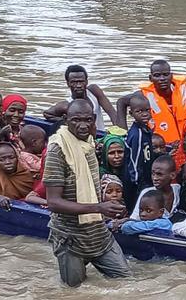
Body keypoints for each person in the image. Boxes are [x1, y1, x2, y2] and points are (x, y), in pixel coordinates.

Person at [45, 99, 131, 286]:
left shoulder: (89, 143)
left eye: (87, 120)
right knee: (74, 292)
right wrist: (99, 207)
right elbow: (53, 202)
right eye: (76, 120)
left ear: (93, 120)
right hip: (70, 236)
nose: (82, 125)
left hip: (98, 233)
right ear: (66, 119)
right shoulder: (58, 150)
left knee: (127, 282)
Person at [127, 59, 186, 148]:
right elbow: (121, 102)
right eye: (157, 75)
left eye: (166, 75)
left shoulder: (183, 89)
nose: (162, 79)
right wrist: (123, 133)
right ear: (150, 78)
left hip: (185, 143)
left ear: (171, 76)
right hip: (162, 147)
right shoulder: (143, 94)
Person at [46, 64, 123, 128]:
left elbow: (111, 112)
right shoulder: (67, 104)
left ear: (86, 81)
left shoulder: (94, 91)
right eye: (74, 82)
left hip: (100, 134)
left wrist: (119, 131)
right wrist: (64, 121)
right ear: (68, 83)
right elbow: (47, 114)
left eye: (81, 81)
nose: (78, 85)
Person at [131, 156, 180, 220]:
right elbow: (135, 219)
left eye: (159, 174)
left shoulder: (178, 189)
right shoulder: (147, 193)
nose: (155, 178)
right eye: (153, 174)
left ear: (172, 175)